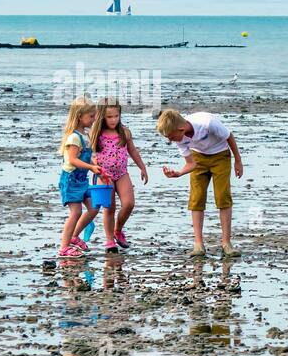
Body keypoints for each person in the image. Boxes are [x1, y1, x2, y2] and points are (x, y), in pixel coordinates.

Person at [156, 109, 243, 257]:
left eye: (171, 137)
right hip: (198, 157)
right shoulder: (180, 137)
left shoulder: (208, 123)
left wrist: (238, 161)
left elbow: (229, 137)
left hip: (220, 155)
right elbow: (191, 164)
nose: (170, 141)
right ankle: (198, 245)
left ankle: (226, 243)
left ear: (181, 129)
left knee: (223, 197)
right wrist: (178, 173)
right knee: (196, 199)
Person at [88, 98, 148, 253]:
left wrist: (142, 167)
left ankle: (118, 230)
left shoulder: (124, 132)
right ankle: (109, 241)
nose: (113, 120)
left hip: (121, 173)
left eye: (116, 116)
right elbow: (88, 153)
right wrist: (93, 166)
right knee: (109, 208)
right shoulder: (96, 133)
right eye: (109, 117)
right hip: (103, 175)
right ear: (102, 117)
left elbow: (132, 151)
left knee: (129, 204)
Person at [57, 97, 101, 258]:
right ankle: (64, 247)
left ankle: (74, 237)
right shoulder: (74, 137)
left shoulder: (85, 135)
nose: (94, 119)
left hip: (82, 180)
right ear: (79, 116)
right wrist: (91, 167)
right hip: (71, 180)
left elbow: (84, 156)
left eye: (94, 115)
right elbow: (73, 159)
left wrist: (94, 162)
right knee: (75, 212)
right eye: (91, 116)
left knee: (94, 207)